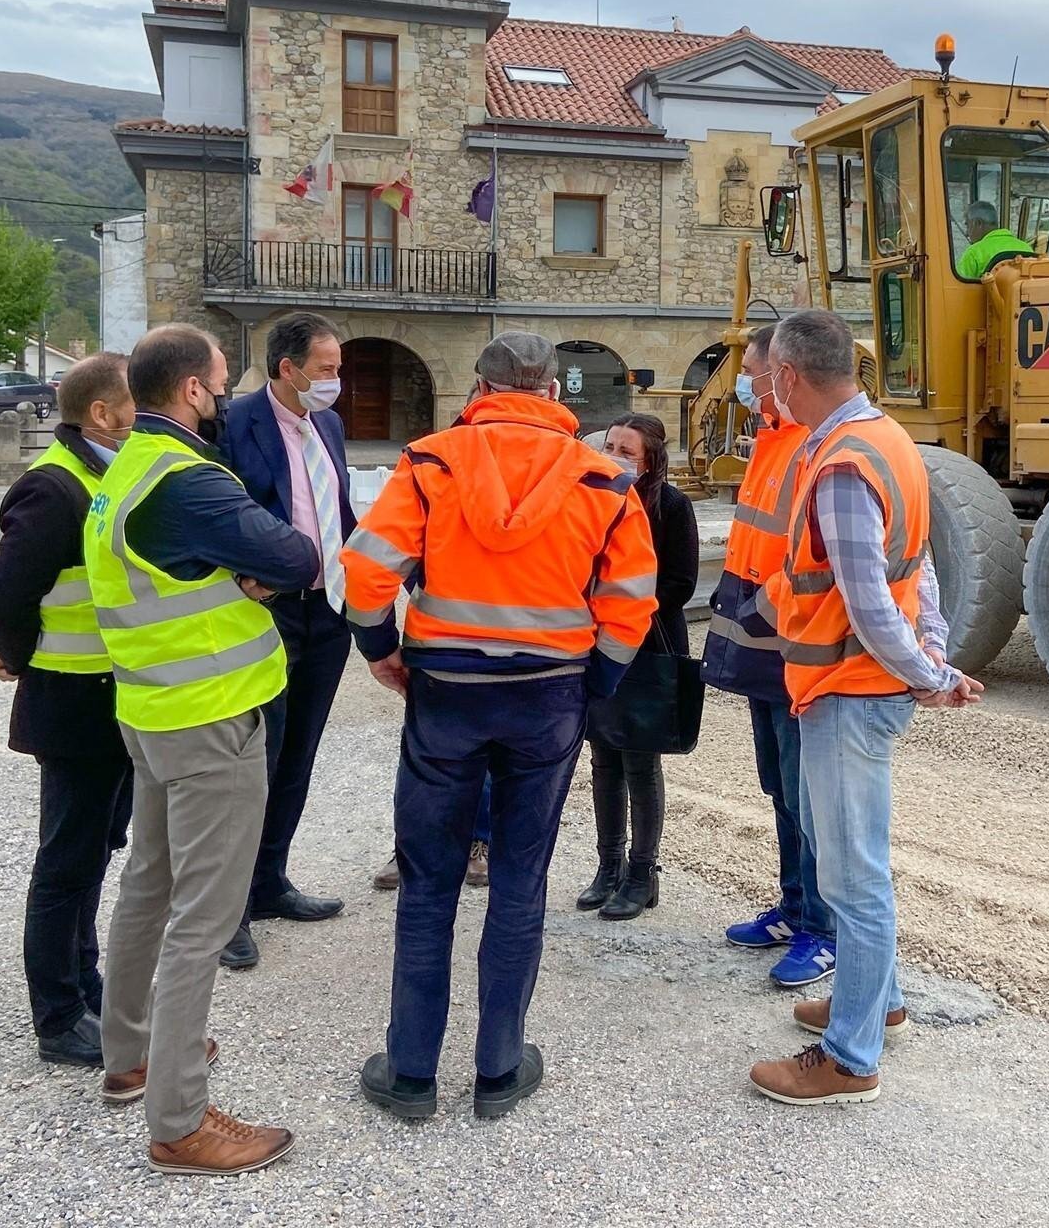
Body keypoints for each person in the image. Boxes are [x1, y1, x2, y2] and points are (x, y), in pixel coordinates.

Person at [342, 331, 657, 1123]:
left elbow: (366, 570)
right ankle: (498, 1067)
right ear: (554, 391)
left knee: (428, 879)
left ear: (478, 389)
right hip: (548, 696)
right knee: (521, 878)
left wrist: (381, 650)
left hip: (446, 690)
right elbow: (632, 604)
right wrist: (597, 682)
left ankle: (411, 1071)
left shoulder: (429, 463)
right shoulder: (604, 479)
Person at [87, 325, 319, 1175]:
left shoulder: (125, 471)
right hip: (213, 718)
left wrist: (237, 571)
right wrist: (256, 572)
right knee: (204, 919)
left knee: (150, 882)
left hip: (151, 711)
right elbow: (295, 553)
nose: (227, 396)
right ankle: (179, 1120)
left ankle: (131, 1056)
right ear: (191, 389)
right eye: (221, 383)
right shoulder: (188, 480)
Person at [748, 309, 983, 1109]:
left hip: (851, 690)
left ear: (787, 375)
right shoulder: (886, 442)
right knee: (849, 859)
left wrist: (929, 674)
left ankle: (851, 1059)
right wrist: (936, 659)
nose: (764, 389)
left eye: (766, 376)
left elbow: (872, 602)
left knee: (853, 878)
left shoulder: (844, 463)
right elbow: (921, 571)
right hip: (851, 687)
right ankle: (876, 1003)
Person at [0, 352, 136, 1069]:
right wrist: (22, 656)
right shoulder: (54, 489)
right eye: (140, 402)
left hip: (108, 700)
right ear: (102, 414)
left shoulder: (105, 477)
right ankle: (59, 1015)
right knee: (66, 862)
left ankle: (87, 985)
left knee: (94, 853)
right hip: (72, 703)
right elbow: (1, 603)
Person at [216, 313, 368, 972]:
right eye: (328, 369)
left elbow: (338, 511)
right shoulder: (233, 425)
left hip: (326, 613)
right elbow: (217, 512)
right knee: (258, 763)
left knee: (300, 754)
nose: (336, 382)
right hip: (267, 614)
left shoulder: (327, 424)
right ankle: (228, 913)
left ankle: (270, 881)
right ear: (288, 367)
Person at [700, 324, 837, 988]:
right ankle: (794, 907)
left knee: (808, 796)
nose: (749, 388)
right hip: (766, 642)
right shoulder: (774, 443)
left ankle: (823, 928)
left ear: (785, 373)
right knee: (781, 788)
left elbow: (816, 557)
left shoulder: (813, 448)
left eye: (754, 374)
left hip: (798, 646)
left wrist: (762, 609)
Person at [576, 412, 698, 921]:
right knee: (602, 758)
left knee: (640, 762)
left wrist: (625, 611)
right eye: (609, 444)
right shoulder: (590, 497)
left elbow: (681, 583)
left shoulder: (671, 505)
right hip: (595, 642)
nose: (614, 455)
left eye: (627, 450)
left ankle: (642, 872)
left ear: (650, 461)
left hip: (649, 645)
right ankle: (607, 867)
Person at [954, 200, 1034, 281]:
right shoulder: (1026, 248)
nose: (967, 233)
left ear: (978, 223)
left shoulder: (973, 253)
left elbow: (958, 287)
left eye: (967, 225)